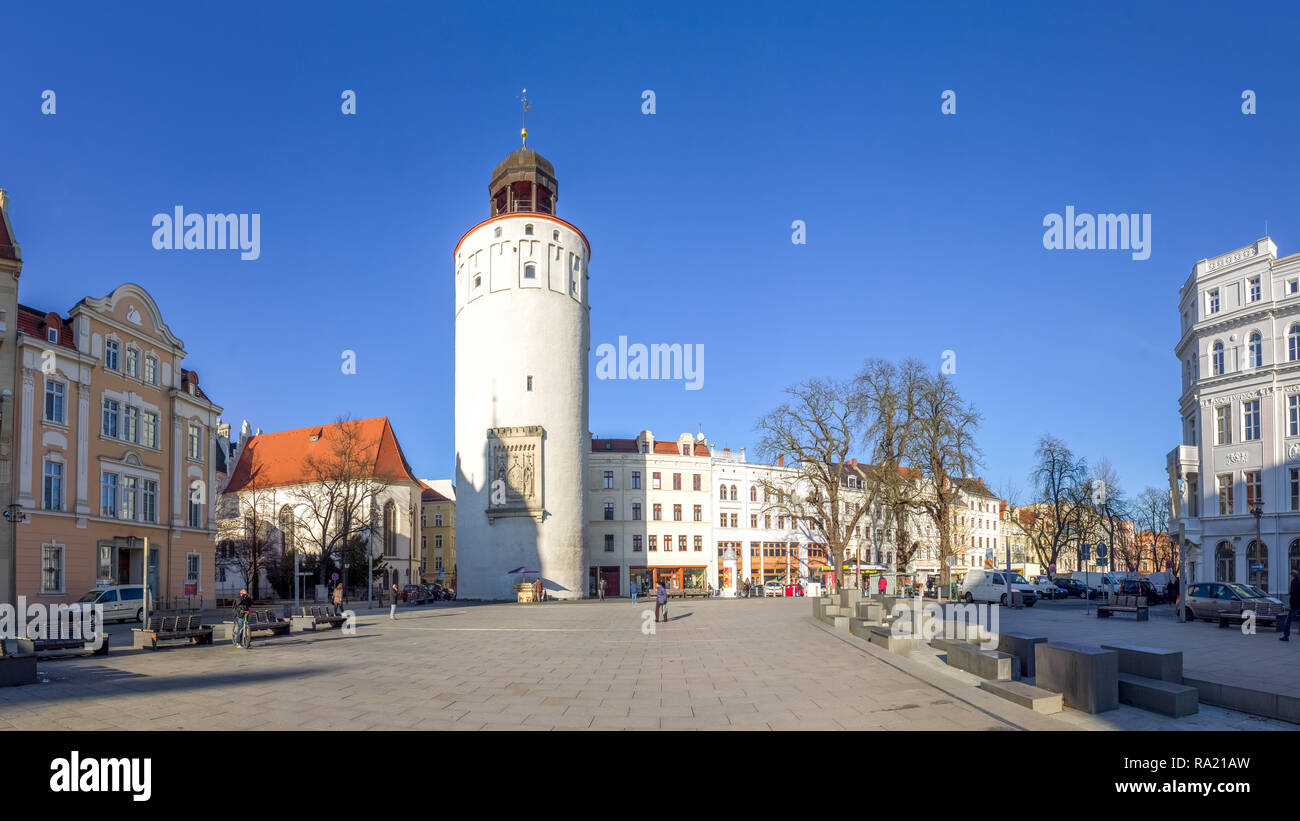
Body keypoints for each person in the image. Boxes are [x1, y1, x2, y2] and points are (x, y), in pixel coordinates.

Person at [1280, 570, 1300, 641]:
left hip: (1295, 605)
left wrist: (1292, 604)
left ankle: (1286, 636)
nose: (1290, 577)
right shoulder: (1299, 582)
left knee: (1288, 621)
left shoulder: (1293, 583)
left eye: (1290, 576)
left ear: (1292, 576)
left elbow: (1293, 595)